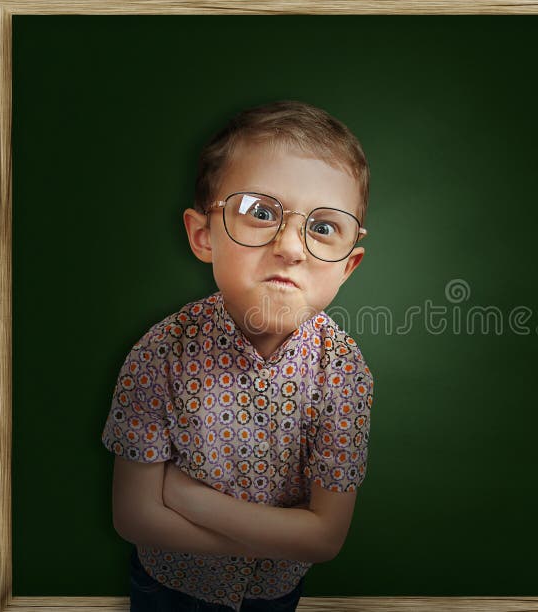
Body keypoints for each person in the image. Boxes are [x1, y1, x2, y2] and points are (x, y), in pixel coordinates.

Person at [101, 100, 374, 612]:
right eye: (260, 213)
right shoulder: (160, 353)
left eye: (322, 227)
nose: (291, 247)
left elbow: (324, 538)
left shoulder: (343, 372)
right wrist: (279, 538)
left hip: (273, 595)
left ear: (348, 265)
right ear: (203, 235)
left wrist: (184, 495)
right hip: (167, 586)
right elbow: (134, 516)